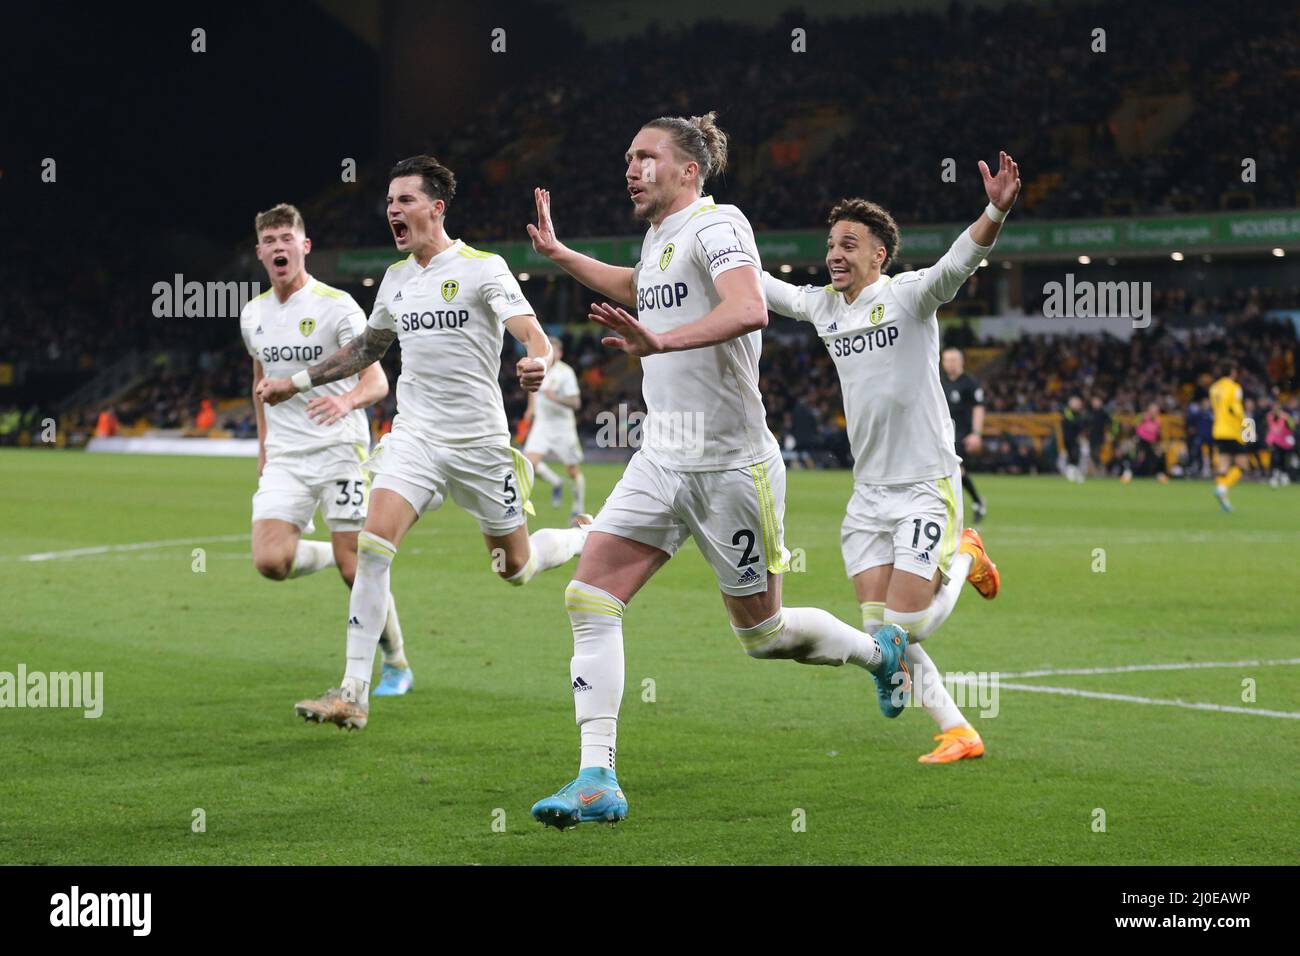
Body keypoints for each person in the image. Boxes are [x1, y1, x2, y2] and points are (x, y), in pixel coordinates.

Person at [524, 112, 911, 828]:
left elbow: (749, 306)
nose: (631, 168)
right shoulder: (661, 238)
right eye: (629, 158)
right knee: (590, 599)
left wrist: (660, 343)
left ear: (689, 170)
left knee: (763, 636)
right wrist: (559, 253)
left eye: (646, 157)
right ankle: (596, 776)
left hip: (733, 466)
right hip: (663, 454)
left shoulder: (717, 224)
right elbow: (638, 285)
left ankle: (879, 652)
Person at [257, 157, 591, 730]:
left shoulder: (484, 268)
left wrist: (539, 360)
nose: (392, 210)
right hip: (414, 436)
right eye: (389, 201)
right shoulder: (394, 279)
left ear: (436, 208)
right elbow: (366, 349)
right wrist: (297, 381)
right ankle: (352, 692)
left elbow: (533, 334)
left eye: (404, 200)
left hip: (480, 443)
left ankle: (582, 538)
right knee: (372, 546)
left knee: (515, 567)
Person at [761, 152, 1019, 765]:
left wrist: (996, 209)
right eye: (831, 243)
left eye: (850, 243)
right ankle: (959, 729)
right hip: (868, 492)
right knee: (883, 634)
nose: (835, 253)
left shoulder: (909, 296)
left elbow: (962, 259)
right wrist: (714, 244)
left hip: (925, 483)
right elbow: (764, 289)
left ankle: (965, 556)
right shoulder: (824, 307)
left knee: (915, 625)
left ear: (879, 254)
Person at [240, 203, 411, 696]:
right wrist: (264, 446)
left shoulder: (336, 306)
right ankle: (333, 552)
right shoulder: (253, 314)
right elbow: (260, 383)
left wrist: (347, 399)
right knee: (271, 562)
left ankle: (397, 661)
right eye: (270, 240)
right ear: (260, 252)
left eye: (286, 238)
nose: (279, 247)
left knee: (356, 568)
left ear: (304, 246)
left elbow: (377, 381)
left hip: (340, 449)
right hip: (287, 456)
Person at [522, 335, 586, 517]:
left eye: (554, 349)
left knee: (573, 471)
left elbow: (576, 403)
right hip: (542, 424)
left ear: (560, 353)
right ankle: (556, 482)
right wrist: (530, 409)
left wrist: (556, 398)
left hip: (563, 427)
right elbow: (532, 390)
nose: (550, 352)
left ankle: (578, 509)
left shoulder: (566, 373)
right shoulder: (539, 367)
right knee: (528, 465)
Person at [940, 347, 987, 523]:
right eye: (947, 360)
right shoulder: (941, 383)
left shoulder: (969, 382)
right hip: (945, 434)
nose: (950, 364)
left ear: (961, 362)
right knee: (953, 471)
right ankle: (976, 501)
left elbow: (978, 407)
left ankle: (959, 507)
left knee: (954, 469)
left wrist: (976, 433)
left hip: (962, 433)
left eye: (953, 360)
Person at [1209, 361, 1248, 511]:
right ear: (1232, 372)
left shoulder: (1214, 388)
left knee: (1223, 466)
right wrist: (1247, 428)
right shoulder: (1234, 388)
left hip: (1218, 430)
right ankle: (1223, 488)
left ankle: (1224, 501)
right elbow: (1236, 410)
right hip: (1232, 431)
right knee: (1243, 465)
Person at [1060, 395, 1085, 483]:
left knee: (1076, 455)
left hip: (1075, 437)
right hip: (1068, 437)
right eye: (1077, 403)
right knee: (1072, 455)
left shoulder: (1078, 413)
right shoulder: (1068, 412)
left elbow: (1080, 425)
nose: (1079, 405)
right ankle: (1071, 473)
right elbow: (1074, 423)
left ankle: (1073, 473)